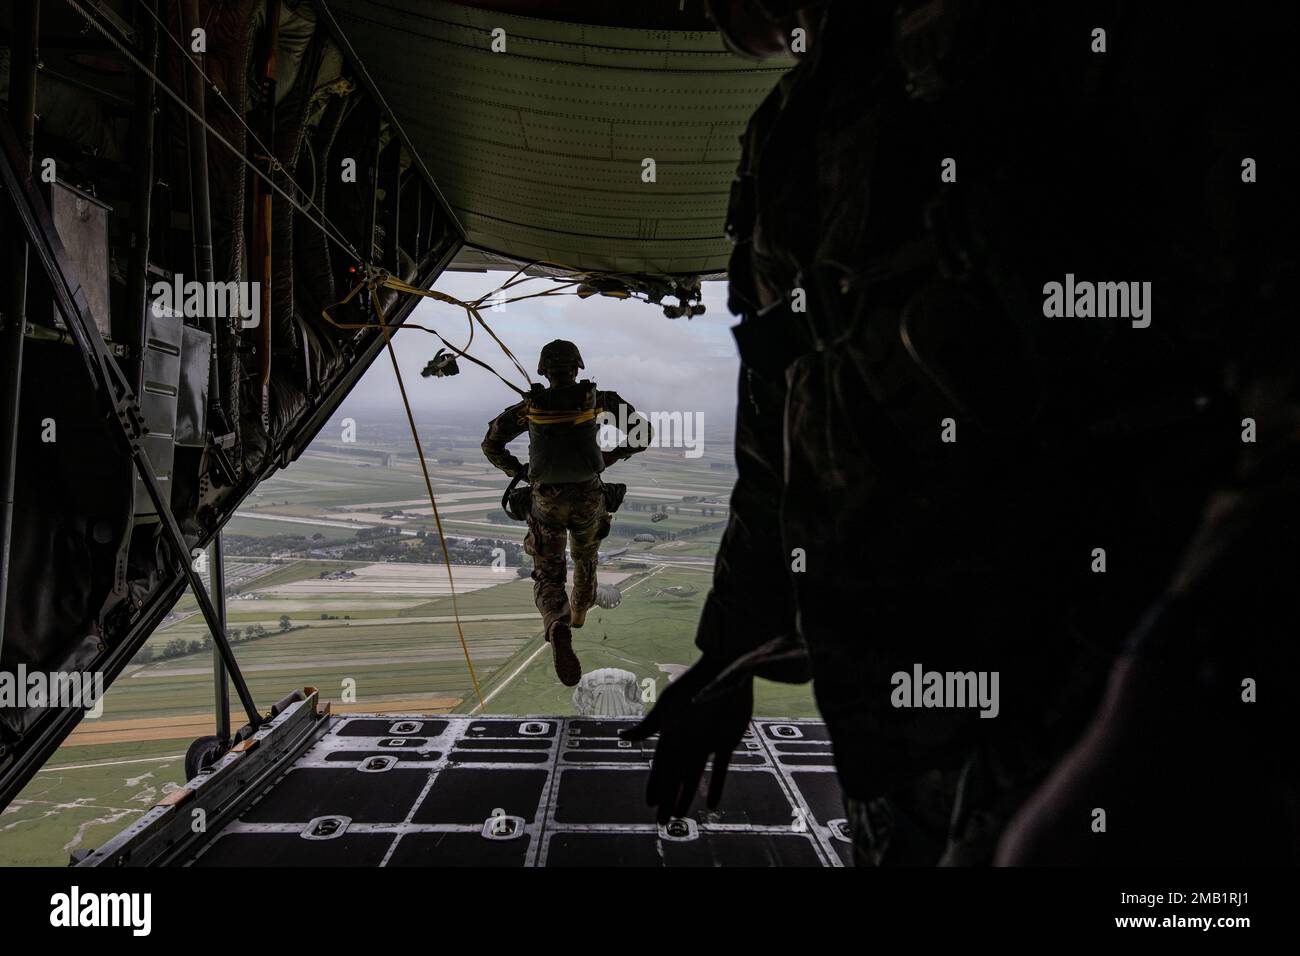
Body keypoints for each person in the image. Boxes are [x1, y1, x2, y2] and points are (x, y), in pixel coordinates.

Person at [625, 0, 1298, 865]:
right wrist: (733, 649)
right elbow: (781, 420)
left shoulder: (1063, 33)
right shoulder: (791, 127)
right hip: (896, 709)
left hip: (1089, 673)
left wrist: (1194, 679)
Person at [482, 339, 653, 686]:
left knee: (548, 571)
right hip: (589, 497)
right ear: (578, 368)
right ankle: (577, 614)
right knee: (586, 558)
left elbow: (491, 444)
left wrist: (519, 471)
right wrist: (609, 457)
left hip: (546, 501)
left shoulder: (530, 407)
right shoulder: (598, 401)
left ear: (544, 371)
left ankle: (556, 623)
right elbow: (642, 434)